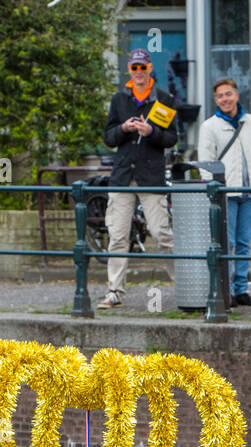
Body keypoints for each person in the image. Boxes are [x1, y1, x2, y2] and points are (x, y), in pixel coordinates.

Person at [98, 49, 177, 310]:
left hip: (150, 175)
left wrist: (151, 131)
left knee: (161, 233)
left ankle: (185, 285)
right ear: (129, 70)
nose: (139, 72)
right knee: (118, 235)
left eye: (143, 68)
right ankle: (114, 291)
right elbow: (108, 137)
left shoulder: (164, 99)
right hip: (122, 176)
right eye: (134, 68)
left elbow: (172, 139)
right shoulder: (119, 99)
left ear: (150, 68)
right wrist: (124, 128)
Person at [197, 78, 251, 308]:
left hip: (250, 192)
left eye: (228, 94)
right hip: (225, 194)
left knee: (244, 243)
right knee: (227, 242)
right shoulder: (209, 127)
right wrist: (211, 192)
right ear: (215, 100)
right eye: (220, 96)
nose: (225, 99)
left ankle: (241, 288)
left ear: (236, 95)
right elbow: (205, 164)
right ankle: (227, 290)